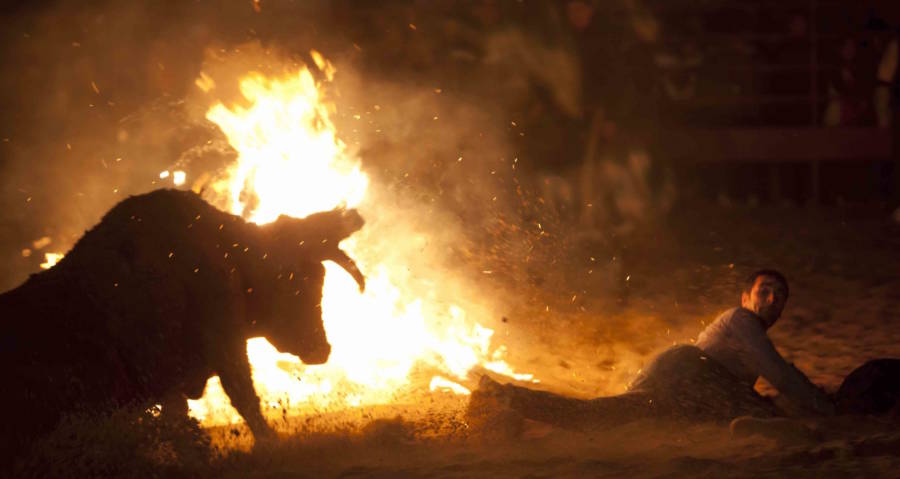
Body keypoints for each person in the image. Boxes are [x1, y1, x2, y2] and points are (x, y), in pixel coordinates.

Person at [467, 270, 834, 432]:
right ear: (745, 297)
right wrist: (827, 409)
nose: (771, 299)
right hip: (687, 376)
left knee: (593, 420)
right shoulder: (741, 319)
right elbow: (779, 374)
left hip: (687, 384)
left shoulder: (745, 328)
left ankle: (503, 399)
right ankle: (501, 396)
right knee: (593, 419)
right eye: (764, 290)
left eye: (779, 295)